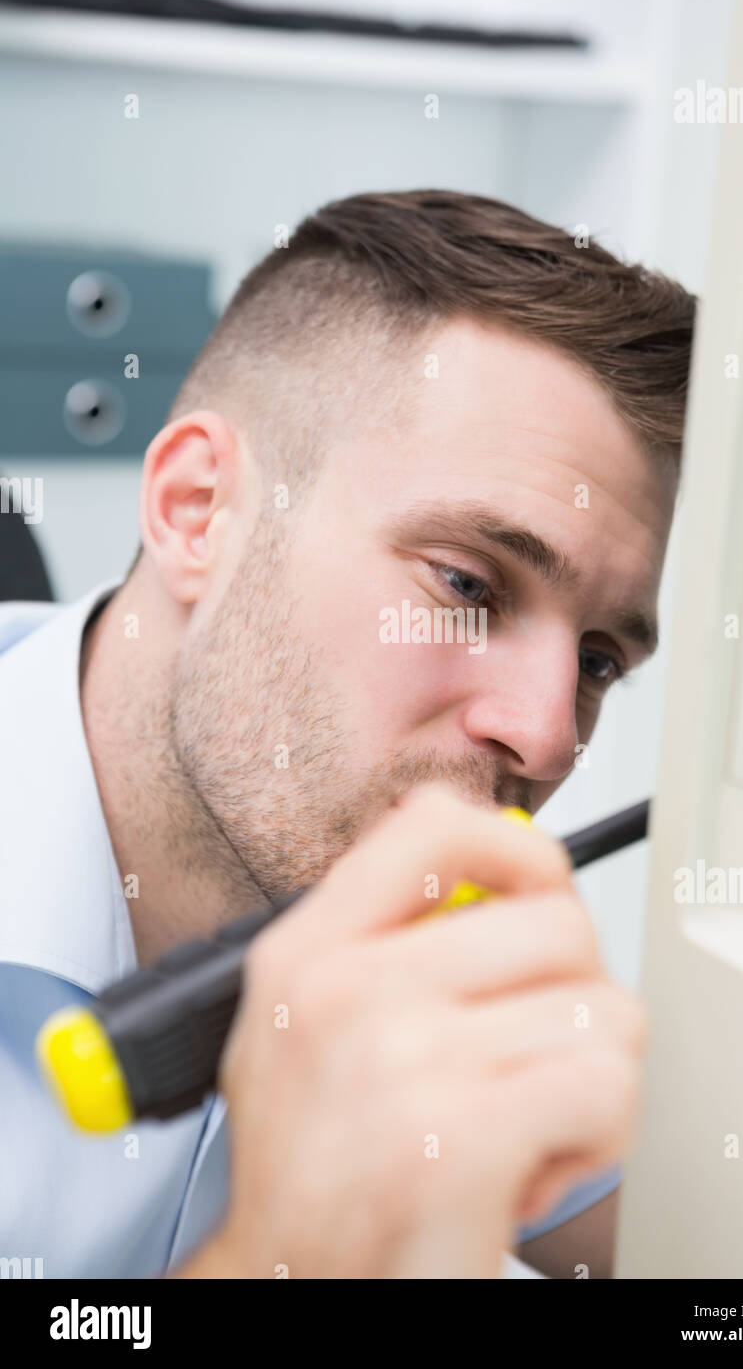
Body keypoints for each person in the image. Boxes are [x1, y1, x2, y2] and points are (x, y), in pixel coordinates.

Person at [0, 189, 694, 1279]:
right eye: (466, 585)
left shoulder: (439, 949)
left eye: (598, 660)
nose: (548, 735)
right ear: (197, 509)